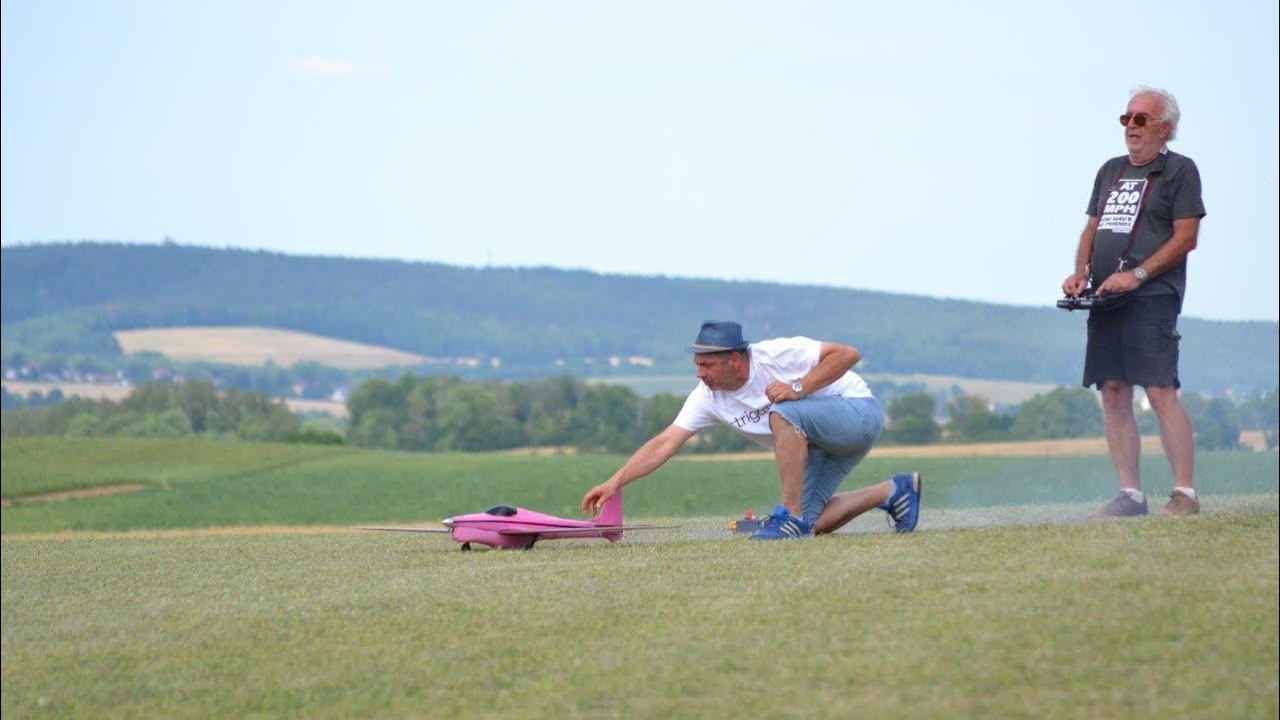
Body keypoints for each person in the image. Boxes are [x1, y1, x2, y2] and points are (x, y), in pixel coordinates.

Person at [580, 320, 921, 539]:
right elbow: (665, 442)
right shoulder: (707, 397)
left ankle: (789, 516)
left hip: (858, 414)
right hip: (821, 446)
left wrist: (798, 388)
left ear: (735, 360)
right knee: (815, 524)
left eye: (707, 365)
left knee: (784, 412)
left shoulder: (774, 355)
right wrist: (614, 482)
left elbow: (848, 354)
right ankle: (893, 491)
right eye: (697, 365)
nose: (700, 374)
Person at [1061, 87, 1206, 517]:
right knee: (1112, 392)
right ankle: (1131, 495)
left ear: (1165, 128)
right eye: (1126, 118)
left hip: (1153, 297)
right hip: (1106, 299)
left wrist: (1138, 275)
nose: (1131, 127)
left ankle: (1186, 494)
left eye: (1141, 119)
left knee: (1161, 391)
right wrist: (1081, 273)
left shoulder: (1180, 171)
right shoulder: (1110, 171)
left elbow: (1187, 237)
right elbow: (1091, 230)